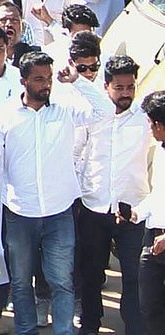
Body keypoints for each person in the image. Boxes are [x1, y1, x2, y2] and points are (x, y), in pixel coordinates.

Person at [0, 52, 113, 335]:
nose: (46, 84)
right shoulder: (5, 115)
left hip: (59, 212)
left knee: (62, 281)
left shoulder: (65, 109)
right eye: (39, 79)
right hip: (20, 213)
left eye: (49, 78)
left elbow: (105, 111)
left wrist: (77, 81)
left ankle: (64, 331)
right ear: (24, 81)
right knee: (21, 283)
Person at [73, 53, 150, 335]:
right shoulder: (92, 116)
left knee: (133, 275)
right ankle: (90, 324)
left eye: (130, 87)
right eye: (119, 87)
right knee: (91, 274)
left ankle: (135, 327)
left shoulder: (145, 117)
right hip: (94, 207)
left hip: (133, 209)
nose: (125, 93)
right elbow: (75, 153)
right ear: (106, 86)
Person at [137, 90, 165, 332]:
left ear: (159, 125)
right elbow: (157, 194)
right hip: (152, 238)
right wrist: (137, 212)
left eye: (150, 123)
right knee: (149, 306)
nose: (149, 128)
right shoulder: (160, 151)